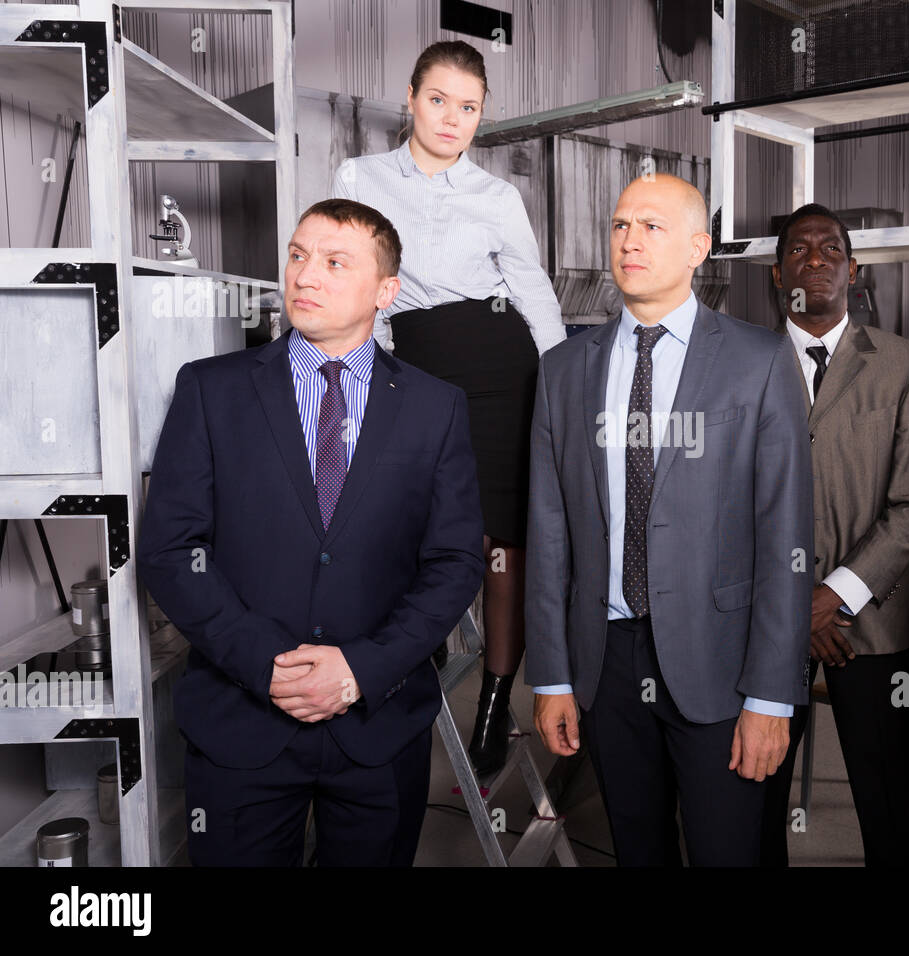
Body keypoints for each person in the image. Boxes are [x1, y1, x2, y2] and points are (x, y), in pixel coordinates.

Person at [139, 198, 485, 866]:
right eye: (298, 255)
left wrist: (361, 668)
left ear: (386, 290)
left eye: (334, 262)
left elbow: (453, 564)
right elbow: (171, 550)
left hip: (377, 726)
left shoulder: (434, 407)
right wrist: (264, 664)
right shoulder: (213, 390)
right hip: (243, 726)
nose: (304, 275)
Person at [525, 172, 814, 866]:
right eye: (621, 226)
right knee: (636, 850)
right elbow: (548, 531)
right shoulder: (564, 369)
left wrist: (773, 696)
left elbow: (786, 538)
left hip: (722, 661)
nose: (629, 241)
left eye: (652, 227)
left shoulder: (760, 360)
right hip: (608, 662)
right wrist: (554, 676)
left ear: (698, 247)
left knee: (727, 851)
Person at [331, 40, 565, 776]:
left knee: (502, 543)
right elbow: (346, 271)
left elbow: (532, 292)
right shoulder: (360, 176)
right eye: (438, 101)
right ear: (410, 98)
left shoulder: (498, 197)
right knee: (401, 516)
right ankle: (413, 643)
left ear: (480, 115)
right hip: (409, 364)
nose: (451, 118)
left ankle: (497, 693)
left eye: (468, 108)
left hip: (499, 367)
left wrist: (563, 390)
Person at [758, 204, 909, 867]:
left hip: (872, 623)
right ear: (778, 273)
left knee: (888, 793)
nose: (816, 257)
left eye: (831, 248)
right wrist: (790, 605)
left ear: (854, 270)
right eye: (799, 249)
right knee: (756, 790)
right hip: (764, 622)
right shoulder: (741, 363)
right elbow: (726, 506)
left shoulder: (901, 363)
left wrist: (830, 596)